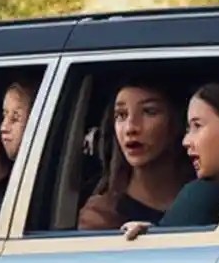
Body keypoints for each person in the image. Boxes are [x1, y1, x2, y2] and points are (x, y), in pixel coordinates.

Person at [120, 82, 219, 240]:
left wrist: (160, 236)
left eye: (197, 126)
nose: (186, 141)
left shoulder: (202, 194)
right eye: (188, 129)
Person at [77, 81, 195, 230]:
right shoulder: (102, 216)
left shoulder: (210, 199)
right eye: (121, 115)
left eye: (149, 112)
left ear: (178, 121)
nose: (130, 128)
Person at [0, 77, 40, 237]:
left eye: (15, 118)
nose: (3, 127)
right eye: (4, 116)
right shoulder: (5, 187)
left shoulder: (40, 182)